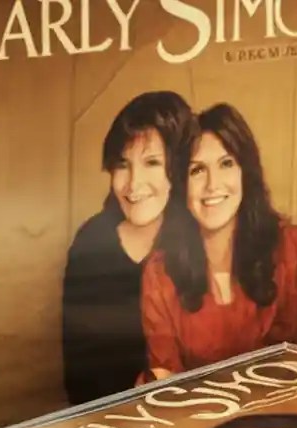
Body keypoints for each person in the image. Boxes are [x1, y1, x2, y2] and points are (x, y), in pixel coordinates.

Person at [140, 103, 297, 381]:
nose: (212, 185)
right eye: (197, 170)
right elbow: (165, 383)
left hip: (283, 411)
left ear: (246, 172)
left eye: (226, 163)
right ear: (181, 185)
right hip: (195, 416)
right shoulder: (159, 272)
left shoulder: (291, 247)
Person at [61, 91, 197, 404]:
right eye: (123, 164)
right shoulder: (92, 243)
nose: (133, 184)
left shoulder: (203, 236)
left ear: (179, 169)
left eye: (152, 162)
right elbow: (79, 375)